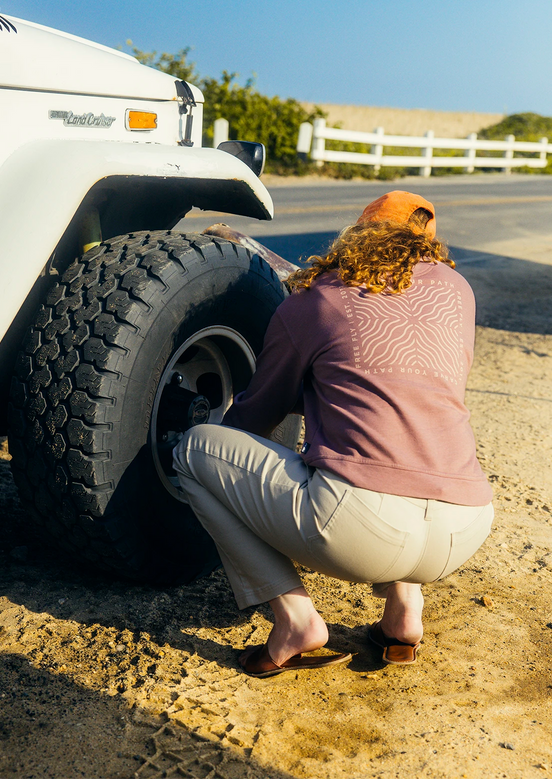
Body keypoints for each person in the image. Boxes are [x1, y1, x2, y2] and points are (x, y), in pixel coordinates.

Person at [173, 190, 493, 677]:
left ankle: (295, 621)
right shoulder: (459, 291)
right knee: (408, 430)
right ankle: (404, 613)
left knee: (195, 451)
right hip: (465, 525)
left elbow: (258, 412)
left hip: (363, 529)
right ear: (430, 244)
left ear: (357, 235)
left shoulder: (317, 299)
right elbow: (412, 389)